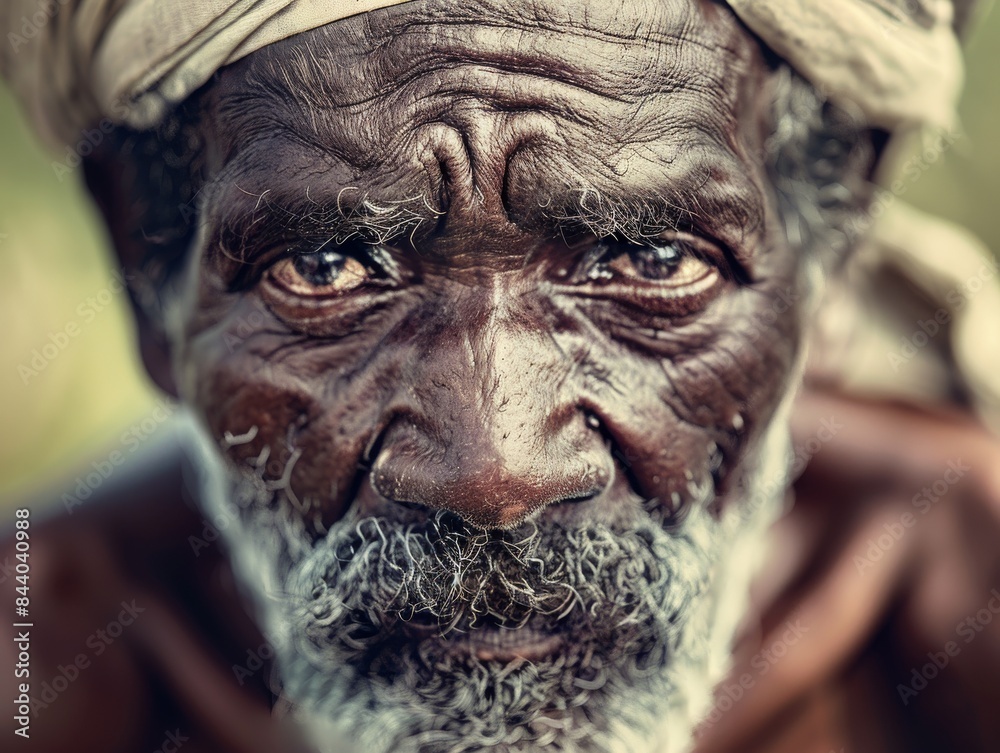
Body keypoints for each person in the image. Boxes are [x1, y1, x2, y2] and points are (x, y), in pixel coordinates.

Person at [3, 1, 1000, 752]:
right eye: (327, 267)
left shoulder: (957, 583)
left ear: (826, 249)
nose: (495, 475)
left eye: (648, 261)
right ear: (146, 268)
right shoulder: (41, 657)